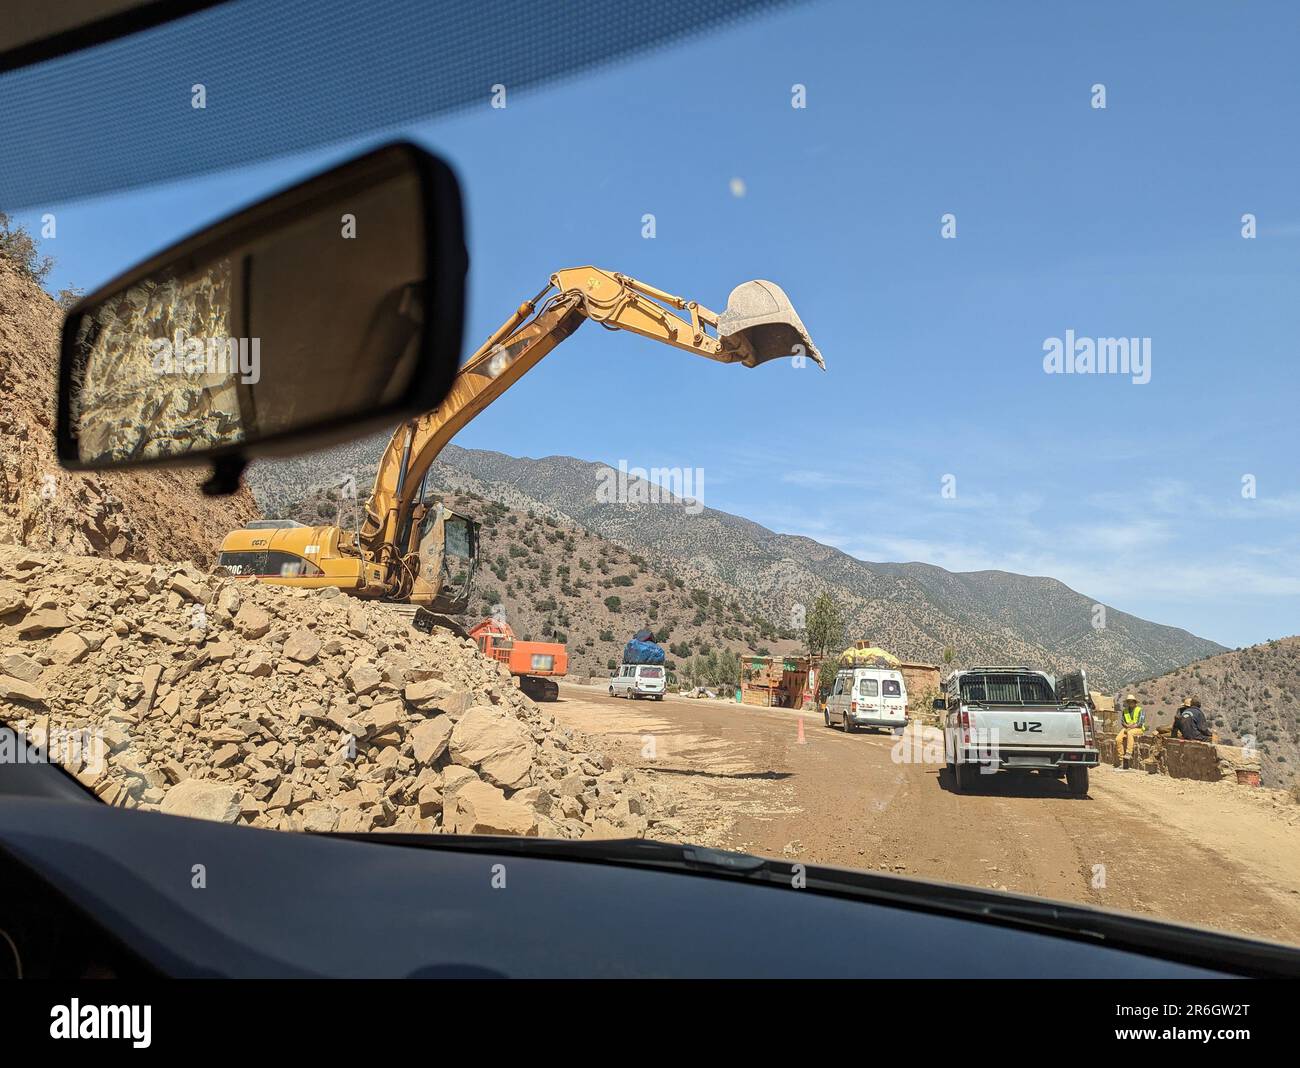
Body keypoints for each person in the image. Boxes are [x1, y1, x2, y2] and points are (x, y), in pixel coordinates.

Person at [1116, 693, 1145, 770]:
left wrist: (1131, 727)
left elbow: (1140, 723)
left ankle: (1128, 752)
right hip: (1127, 727)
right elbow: (1122, 722)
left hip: (1138, 729)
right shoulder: (1125, 711)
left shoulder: (1140, 710)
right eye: (1128, 701)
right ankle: (1122, 760)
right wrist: (1127, 726)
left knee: (1130, 733)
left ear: (1135, 702)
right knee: (1118, 739)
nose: (1130, 703)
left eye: (1131, 701)